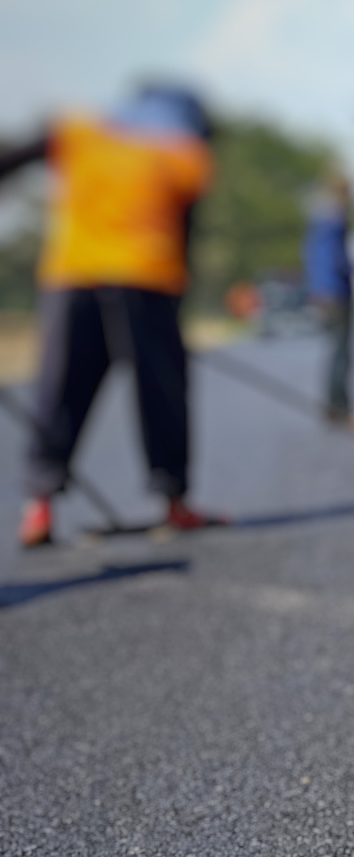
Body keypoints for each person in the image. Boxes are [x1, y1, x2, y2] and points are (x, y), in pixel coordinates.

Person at [2, 82, 225, 549]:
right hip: (148, 277)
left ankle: (38, 506)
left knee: (60, 389)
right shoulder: (186, 155)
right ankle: (173, 503)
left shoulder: (79, 132)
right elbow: (186, 232)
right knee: (162, 392)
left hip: (72, 277)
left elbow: (11, 160)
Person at [303, 169, 354, 425]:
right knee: (341, 352)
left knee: (336, 351)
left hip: (324, 290)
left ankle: (335, 406)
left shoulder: (319, 217)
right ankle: (339, 408)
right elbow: (337, 259)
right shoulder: (335, 218)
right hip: (336, 291)